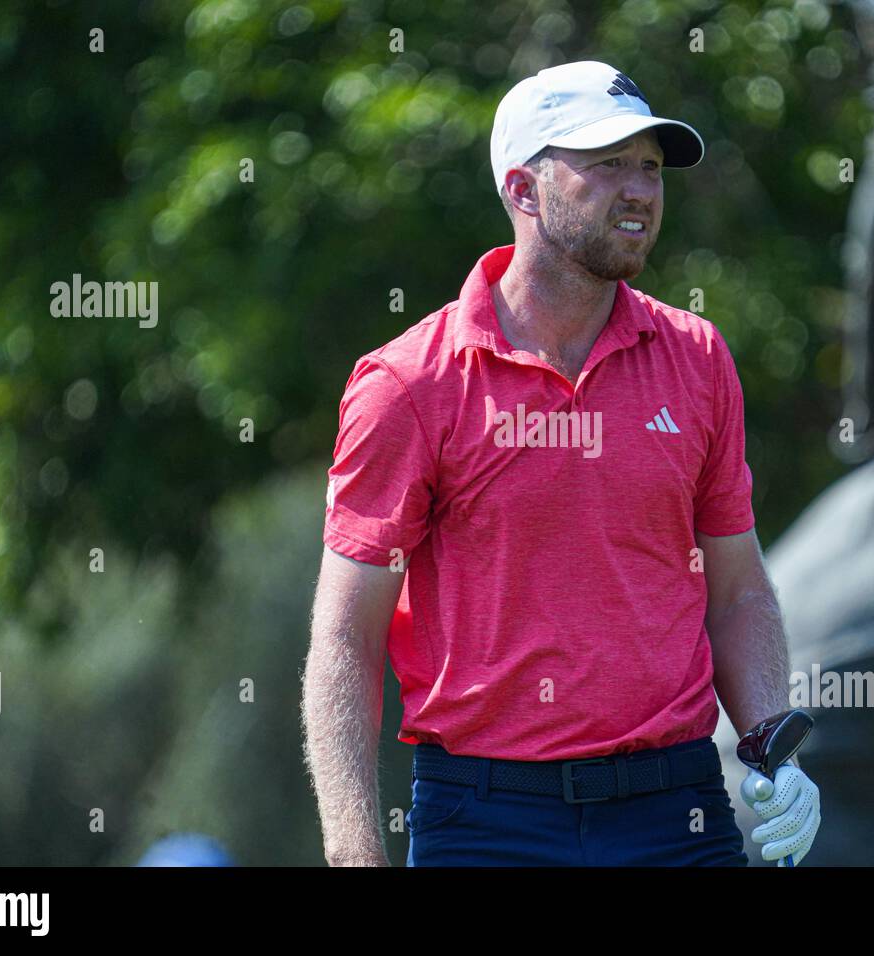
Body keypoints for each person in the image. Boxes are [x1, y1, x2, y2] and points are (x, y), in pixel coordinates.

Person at [301, 60, 820, 866]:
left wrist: (771, 745)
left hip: (675, 811)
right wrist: (354, 851)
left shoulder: (698, 357)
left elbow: (738, 590)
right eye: (607, 163)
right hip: (483, 823)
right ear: (523, 188)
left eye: (650, 167)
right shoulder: (409, 383)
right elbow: (346, 641)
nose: (640, 189)